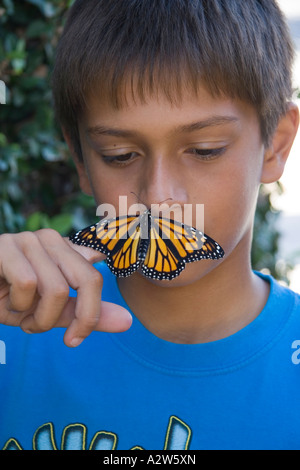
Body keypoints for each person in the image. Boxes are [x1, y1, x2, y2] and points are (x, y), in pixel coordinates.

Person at [0, 0, 299, 451]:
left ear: (274, 145)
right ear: (81, 158)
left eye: (204, 149)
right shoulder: (14, 320)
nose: (158, 197)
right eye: (119, 156)